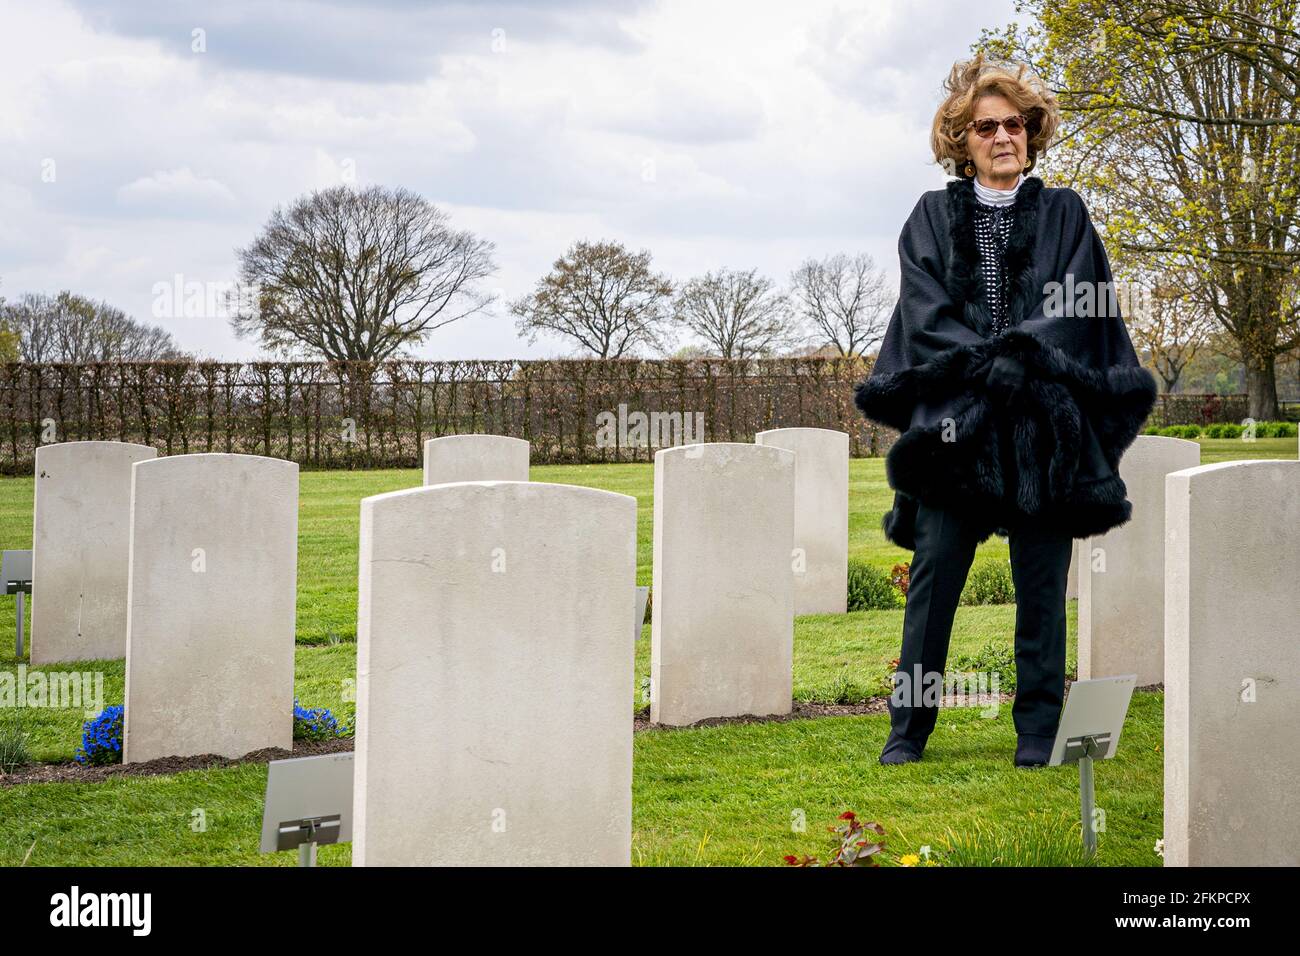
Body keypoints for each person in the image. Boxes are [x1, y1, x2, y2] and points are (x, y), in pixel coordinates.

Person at [853, 53, 1157, 768]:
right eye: (985, 126)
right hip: (957, 427)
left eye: (1013, 124)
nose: (1001, 137)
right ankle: (908, 730)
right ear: (961, 138)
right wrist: (992, 366)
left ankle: (1039, 730)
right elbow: (926, 313)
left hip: (1040, 429)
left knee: (1042, 586)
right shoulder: (929, 218)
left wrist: (1023, 358)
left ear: (1031, 132)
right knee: (934, 582)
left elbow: (1079, 305)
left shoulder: (1065, 213)